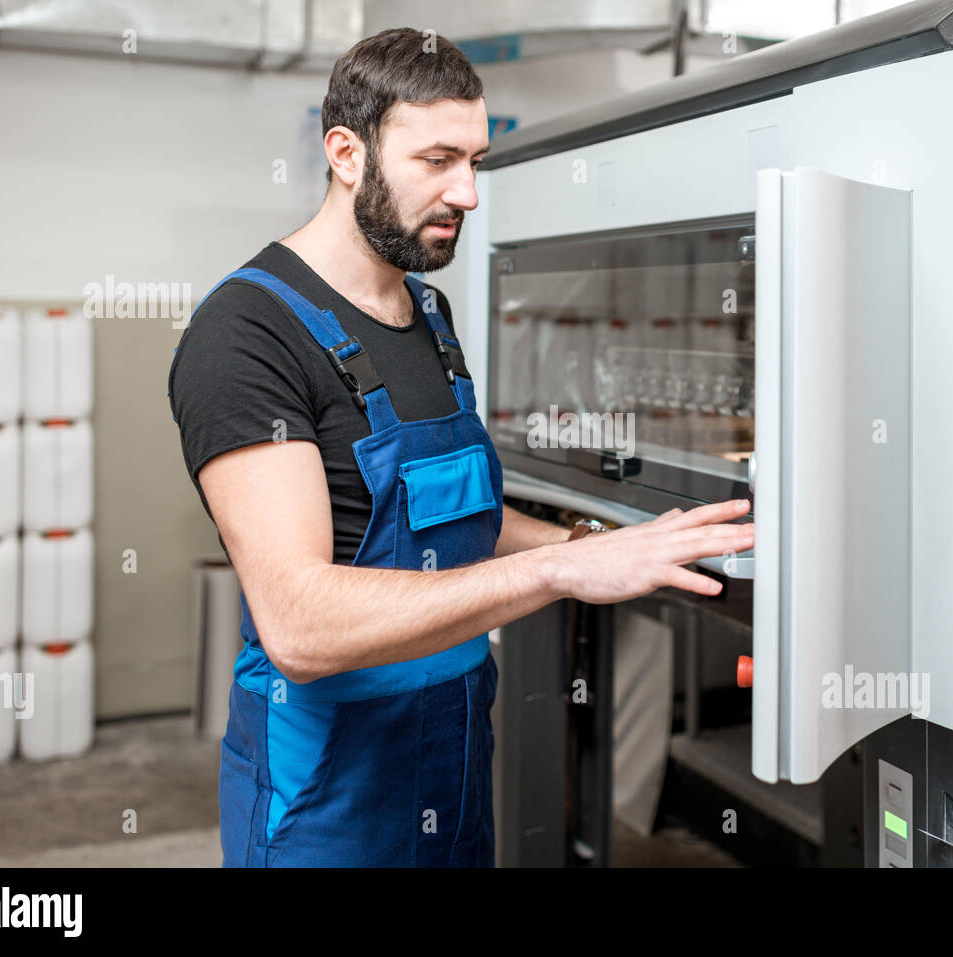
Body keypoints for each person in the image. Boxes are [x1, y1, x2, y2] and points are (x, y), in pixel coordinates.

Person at [167, 27, 754, 867]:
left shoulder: (431, 319)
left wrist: (596, 546)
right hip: (325, 808)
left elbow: (458, 513)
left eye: (475, 161)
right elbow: (298, 621)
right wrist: (556, 574)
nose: (467, 193)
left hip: (453, 775)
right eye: (437, 160)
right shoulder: (247, 334)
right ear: (347, 153)